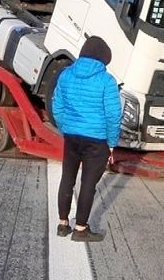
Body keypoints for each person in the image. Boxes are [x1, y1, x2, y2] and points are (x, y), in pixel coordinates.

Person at [52, 36, 122, 242]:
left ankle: (63, 224)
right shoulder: (107, 81)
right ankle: (80, 229)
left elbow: (57, 106)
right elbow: (113, 116)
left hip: (72, 137)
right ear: (103, 58)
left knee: (67, 178)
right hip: (96, 140)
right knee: (88, 184)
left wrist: (66, 128)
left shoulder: (66, 75)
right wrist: (111, 143)